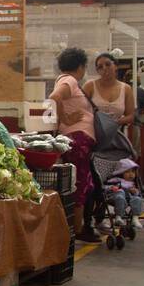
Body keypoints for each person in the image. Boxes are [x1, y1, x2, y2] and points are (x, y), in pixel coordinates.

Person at [48, 47, 99, 243]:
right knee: (79, 184)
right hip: (77, 140)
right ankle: (75, 230)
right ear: (80, 66)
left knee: (83, 183)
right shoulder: (69, 80)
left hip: (78, 140)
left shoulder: (67, 80)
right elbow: (54, 98)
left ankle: (76, 228)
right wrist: (67, 118)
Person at [84, 52, 136, 130]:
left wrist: (116, 122)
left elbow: (131, 116)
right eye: (100, 67)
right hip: (93, 133)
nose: (104, 68)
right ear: (97, 71)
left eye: (108, 64)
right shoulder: (90, 86)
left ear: (115, 66)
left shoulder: (126, 89)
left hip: (115, 133)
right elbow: (82, 110)